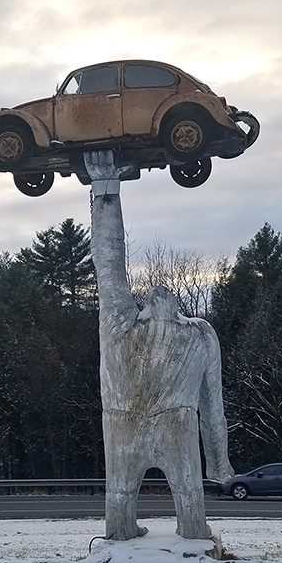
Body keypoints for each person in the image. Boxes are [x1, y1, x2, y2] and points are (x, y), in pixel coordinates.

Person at [86, 150, 234, 540]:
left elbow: (109, 268)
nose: (160, 292)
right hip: (170, 423)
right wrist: (220, 463)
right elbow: (212, 404)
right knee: (184, 497)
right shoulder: (197, 334)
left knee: (124, 496)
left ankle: (134, 530)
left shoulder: (124, 326)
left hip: (125, 424)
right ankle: (188, 529)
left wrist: (105, 186)